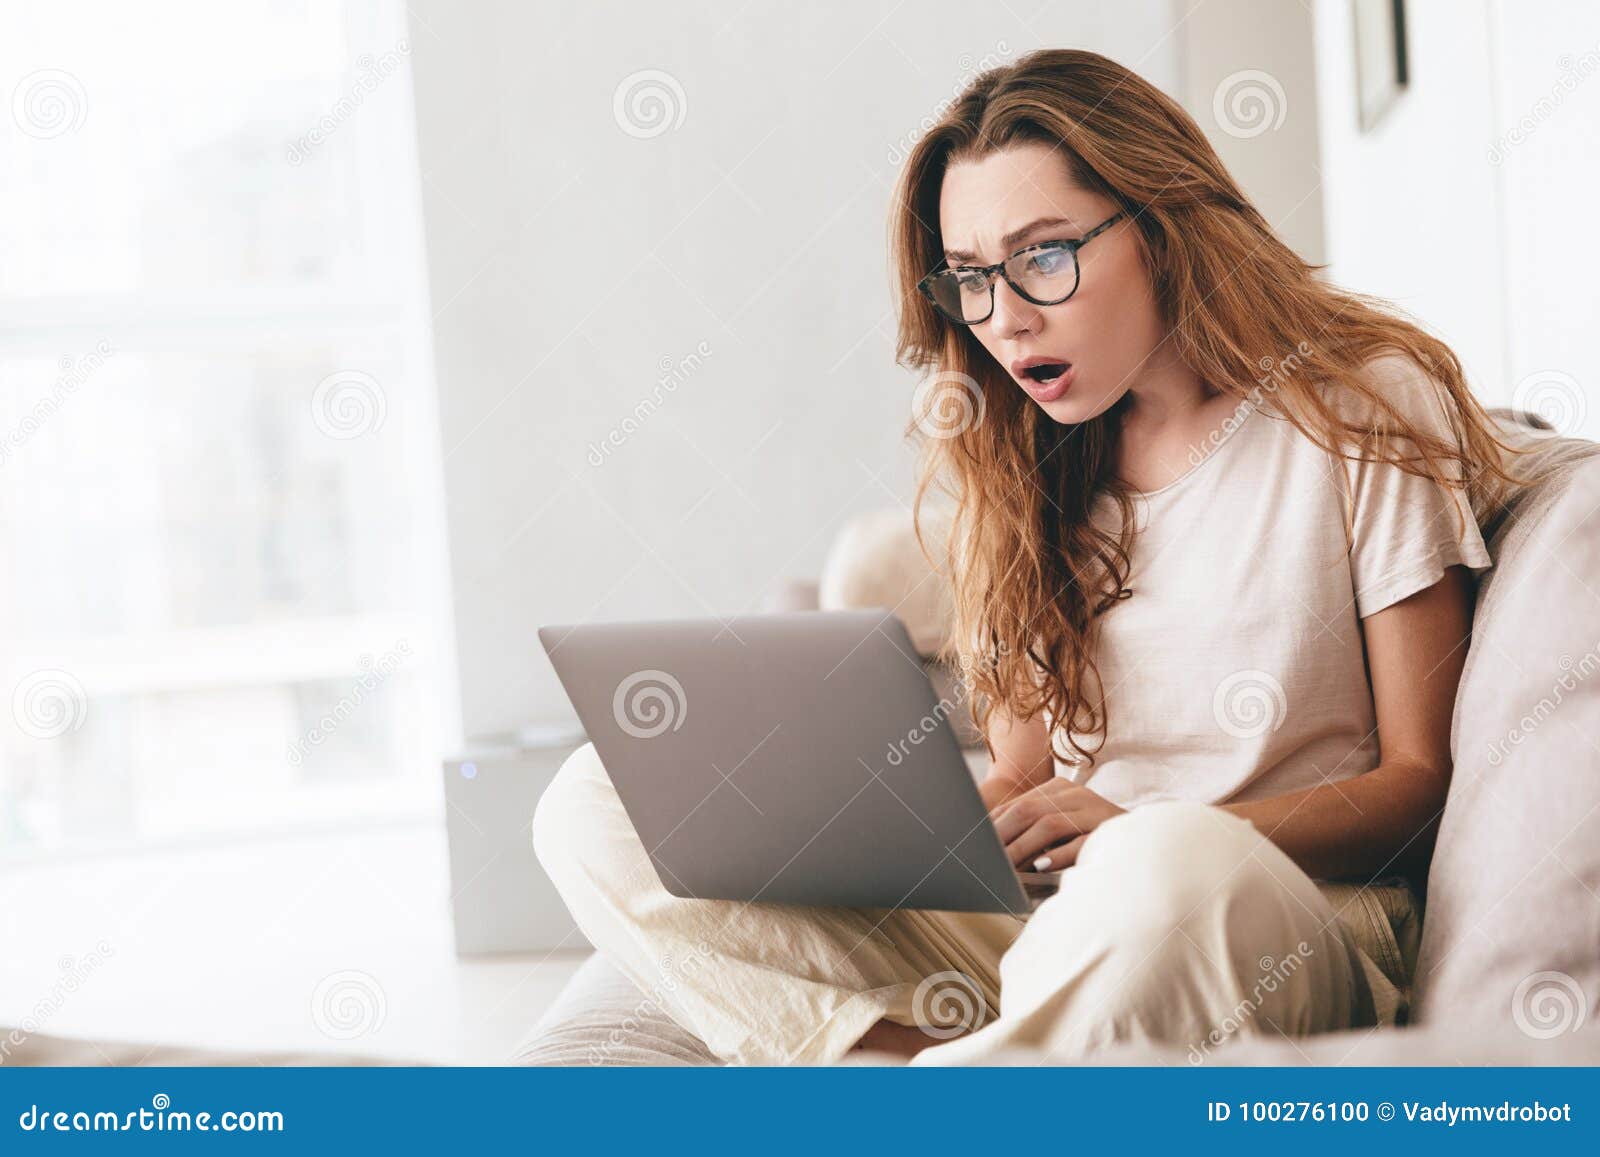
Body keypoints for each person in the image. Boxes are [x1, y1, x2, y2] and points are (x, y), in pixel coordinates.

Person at [533, 48, 1523, 1065]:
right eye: (970, 277)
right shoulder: (1018, 463)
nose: (1004, 318)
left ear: (1164, 226)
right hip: (1059, 922)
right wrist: (892, 834)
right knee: (595, 798)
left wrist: (1140, 825)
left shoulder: (1356, 405)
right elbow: (1020, 775)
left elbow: (1417, 781)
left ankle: (960, 1076)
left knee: (1163, 855)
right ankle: (893, 1057)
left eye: (1044, 255)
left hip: (1265, 909)